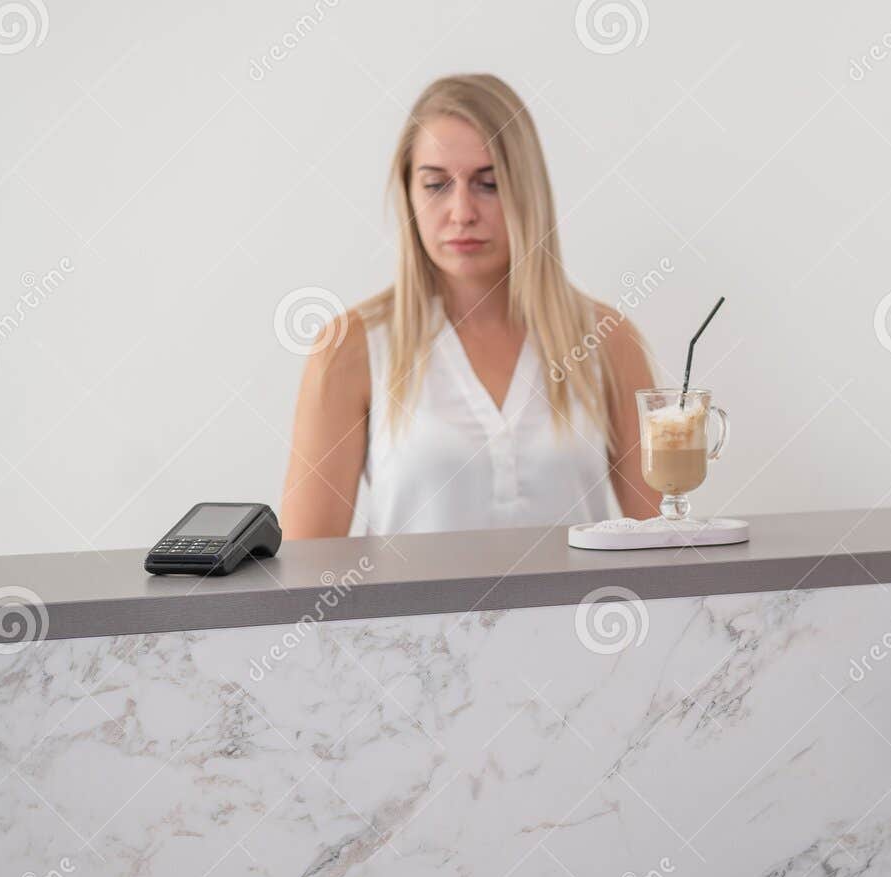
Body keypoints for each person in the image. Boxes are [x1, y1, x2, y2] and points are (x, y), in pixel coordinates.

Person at [280, 73, 660, 538]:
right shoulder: (350, 348)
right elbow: (305, 575)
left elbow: (660, 549)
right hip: (406, 614)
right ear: (407, 194)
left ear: (527, 192)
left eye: (489, 184)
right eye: (436, 185)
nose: (461, 212)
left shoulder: (608, 341)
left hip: (582, 613)